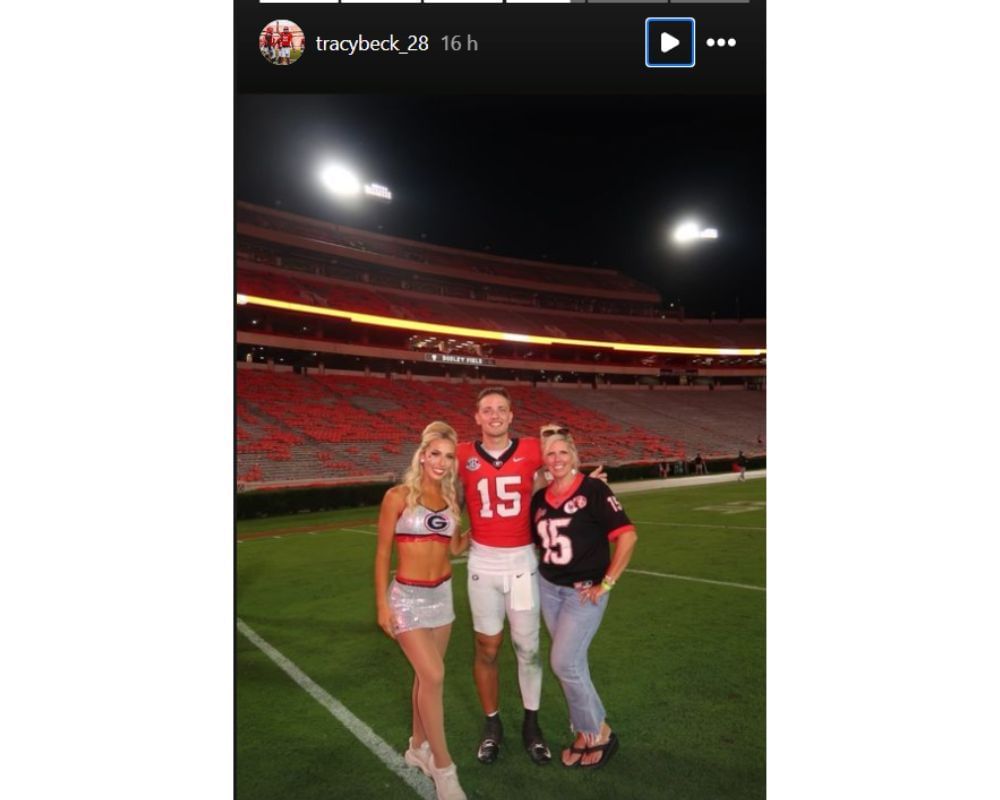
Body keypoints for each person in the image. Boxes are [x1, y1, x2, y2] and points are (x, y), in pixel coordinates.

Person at [454, 387, 554, 765]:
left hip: (522, 565)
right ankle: (492, 723)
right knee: (488, 648)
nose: (494, 415)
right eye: (486, 409)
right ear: (476, 417)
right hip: (482, 564)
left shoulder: (532, 448)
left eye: (501, 409)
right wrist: (453, 533)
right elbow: (450, 500)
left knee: (528, 648)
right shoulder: (463, 455)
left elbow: (556, 476)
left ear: (511, 415)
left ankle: (532, 723)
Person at [531, 427, 638, 769]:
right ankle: (583, 730)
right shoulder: (539, 498)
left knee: (563, 663)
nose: (557, 459)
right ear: (543, 461)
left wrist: (606, 584)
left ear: (574, 456)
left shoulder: (593, 489)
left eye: (563, 452)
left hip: (584, 592)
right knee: (574, 664)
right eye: (550, 454)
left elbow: (627, 536)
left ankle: (599, 731)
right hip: (549, 589)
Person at [375, 421, 467, 800]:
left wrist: (491, 526)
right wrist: (382, 602)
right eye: (435, 454)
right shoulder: (397, 496)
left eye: (448, 456)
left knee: (423, 678)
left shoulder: (451, 501)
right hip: (407, 599)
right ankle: (444, 769)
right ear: (422, 454)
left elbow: (455, 548)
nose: (441, 462)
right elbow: (382, 553)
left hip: (442, 597)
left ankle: (417, 747)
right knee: (434, 674)